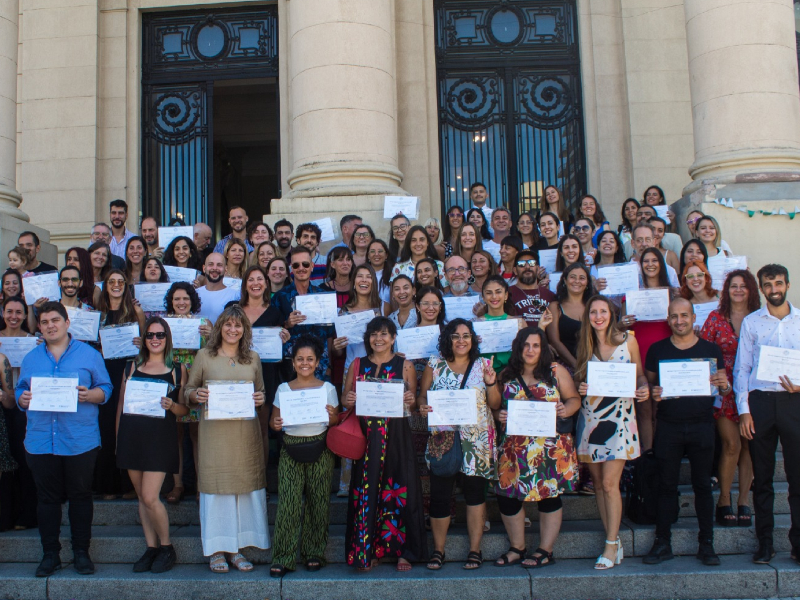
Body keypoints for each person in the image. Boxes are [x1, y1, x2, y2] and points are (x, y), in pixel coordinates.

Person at [16, 302, 113, 576]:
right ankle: (50, 555)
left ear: (67, 322)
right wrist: (23, 399)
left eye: (55, 320)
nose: (50, 325)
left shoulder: (89, 354)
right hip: (40, 440)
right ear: (40, 326)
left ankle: (81, 553)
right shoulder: (32, 358)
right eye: (44, 322)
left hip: (79, 440)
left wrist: (90, 395)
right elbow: (23, 389)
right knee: (47, 500)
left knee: (80, 497)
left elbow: (105, 388)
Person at [643, 298, 728, 566]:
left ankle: (707, 544)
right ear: (668, 320)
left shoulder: (711, 350)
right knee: (666, 485)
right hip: (668, 426)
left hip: (703, 425)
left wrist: (724, 386)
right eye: (674, 316)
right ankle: (662, 542)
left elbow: (722, 388)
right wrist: (653, 393)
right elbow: (648, 385)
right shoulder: (657, 350)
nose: (679, 321)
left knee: (703, 485)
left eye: (684, 316)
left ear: (693, 318)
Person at [184, 305, 268, 573]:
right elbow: (187, 390)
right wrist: (196, 396)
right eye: (228, 325)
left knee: (242, 490)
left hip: (244, 435)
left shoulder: (252, 358)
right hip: (215, 435)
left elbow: (261, 392)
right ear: (220, 327)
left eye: (238, 326)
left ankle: (238, 550)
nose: (233, 330)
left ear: (245, 330)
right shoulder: (204, 356)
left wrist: (261, 398)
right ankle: (217, 551)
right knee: (217, 489)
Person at [493, 326, 581, 567]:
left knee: (549, 497)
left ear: (542, 349)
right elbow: (495, 406)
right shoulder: (507, 375)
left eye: (536, 345)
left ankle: (545, 550)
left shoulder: (555, 371)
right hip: (514, 448)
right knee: (508, 497)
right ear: (518, 348)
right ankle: (517, 547)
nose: (530, 350)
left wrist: (567, 408)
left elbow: (574, 399)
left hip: (549, 449)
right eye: (526, 345)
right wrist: (499, 415)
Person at [343, 316, 426, 572]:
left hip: (396, 434)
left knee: (399, 487)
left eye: (384, 334)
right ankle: (369, 549)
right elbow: (345, 400)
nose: (378, 339)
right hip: (367, 436)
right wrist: (351, 397)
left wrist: (410, 398)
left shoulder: (405, 365)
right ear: (368, 338)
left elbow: (411, 406)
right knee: (367, 490)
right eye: (373, 334)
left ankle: (404, 552)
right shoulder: (357, 364)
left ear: (392, 338)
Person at [417, 318, 500, 570]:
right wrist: (422, 407)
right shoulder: (435, 364)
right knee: (441, 496)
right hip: (444, 439)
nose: (461, 340)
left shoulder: (485, 365)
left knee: (475, 496)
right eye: (456, 336)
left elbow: (495, 404)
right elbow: (423, 395)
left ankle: (475, 550)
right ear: (448, 340)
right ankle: (438, 551)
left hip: (477, 441)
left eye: (466, 335)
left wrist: (491, 383)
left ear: (473, 339)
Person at [575, 295, 649, 569]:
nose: (598, 316)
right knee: (597, 484)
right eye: (593, 312)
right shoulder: (586, 343)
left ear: (611, 314)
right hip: (591, 418)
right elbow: (580, 379)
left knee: (609, 483)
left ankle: (610, 544)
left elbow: (639, 374)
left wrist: (642, 387)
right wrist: (580, 386)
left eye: (602, 311)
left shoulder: (628, 339)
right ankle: (613, 540)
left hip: (619, 419)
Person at [735, 264, 800, 564]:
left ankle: (798, 543)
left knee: (797, 478)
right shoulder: (751, 322)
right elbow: (742, 369)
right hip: (760, 402)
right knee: (762, 478)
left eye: (778, 283)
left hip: (793, 402)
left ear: (787, 284)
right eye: (768, 285)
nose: (774, 289)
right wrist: (744, 411)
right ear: (760, 289)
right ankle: (765, 543)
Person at [116, 317, 187, 573]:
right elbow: (121, 407)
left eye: (160, 335)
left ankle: (167, 547)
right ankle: (151, 547)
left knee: (150, 495)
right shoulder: (131, 368)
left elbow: (184, 410)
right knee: (141, 498)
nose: (155, 339)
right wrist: (118, 440)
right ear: (144, 339)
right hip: (132, 437)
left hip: (160, 439)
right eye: (150, 335)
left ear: (167, 339)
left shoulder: (178, 369)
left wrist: (172, 406)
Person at [269, 335, 339, 577]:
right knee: (288, 503)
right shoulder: (283, 389)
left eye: (310, 359)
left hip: (320, 446)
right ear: (293, 362)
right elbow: (273, 422)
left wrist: (332, 417)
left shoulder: (328, 388)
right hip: (291, 448)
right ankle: (283, 557)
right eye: (300, 359)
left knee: (318, 502)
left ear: (318, 362)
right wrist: (277, 424)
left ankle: (314, 553)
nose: (305, 363)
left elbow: (335, 420)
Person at [700, 270, 759, 528]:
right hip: (724, 391)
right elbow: (702, 352)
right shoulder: (716, 317)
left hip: (754, 389)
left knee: (749, 446)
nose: (738, 290)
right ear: (726, 290)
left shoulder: (760, 318)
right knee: (732, 444)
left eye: (743, 286)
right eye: (733, 286)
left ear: (751, 290)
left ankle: (744, 500)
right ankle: (724, 500)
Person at [95, 269, 145, 499]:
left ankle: (128, 485)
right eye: (111, 282)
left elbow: (148, 345)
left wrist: (140, 341)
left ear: (126, 286)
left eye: (120, 282)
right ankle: (108, 485)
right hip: (103, 373)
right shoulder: (98, 315)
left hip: (128, 372)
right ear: (105, 286)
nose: (116, 285)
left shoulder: (135, 311)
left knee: (125, 426)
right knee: (106, 426)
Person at [236, 266, 290, 470]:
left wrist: (284, 339)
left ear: (266, 283)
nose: (255, 283)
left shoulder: (275, 313)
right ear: (245, 284)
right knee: (238, 427)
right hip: (237, 373)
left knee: (261, 429)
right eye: (251, 279)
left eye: (259, 279)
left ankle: (261, 480)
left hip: (264, 374)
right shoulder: (234, 309)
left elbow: (278, 350)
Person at [625, 247, 676, 450]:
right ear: (640, 265)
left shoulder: (673, 293)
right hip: (640, 353)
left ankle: (664, 453)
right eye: (646, 261)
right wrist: (623, 322)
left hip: (666, 354)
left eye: (655, 260)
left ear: (661, 264)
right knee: (644, 410)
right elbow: (624, 327)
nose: (650, 264)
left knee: (662, 408)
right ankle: (648, 456)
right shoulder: (631, 294)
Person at [163, 282, 209, 505]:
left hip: (195, 378)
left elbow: (212, 352)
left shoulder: (203, 323)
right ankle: (178, 484)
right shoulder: (162, 324)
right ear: (171, 302)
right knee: (175, 434)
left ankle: (202, 485)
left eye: (185, 299)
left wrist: (210, 335)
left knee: (197, 435)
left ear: (192, 301)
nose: (181, 303)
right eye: (177, 299)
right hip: (171, 377)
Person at [273, 247, 335, 382]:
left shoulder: (323, 296)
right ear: (291, 268)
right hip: (291, 368)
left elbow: (330, 334)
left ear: (312, 266)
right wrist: (287, 324)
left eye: (305, 264)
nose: (301, 268)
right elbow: (272, 332)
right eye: (296, 265)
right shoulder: (280, 297)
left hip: (321, 365)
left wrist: (329, 365)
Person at [547, 263, 594, 370]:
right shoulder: (555, 307)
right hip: (565, 366)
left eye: (582, 278)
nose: (577, 281)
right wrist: (576, 365)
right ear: (565, 280)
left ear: (587, 283)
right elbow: (555, 341)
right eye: (572, 277)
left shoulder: (593, 306)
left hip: (592, 364)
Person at [476, 275, 522, 373]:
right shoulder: (475, 323)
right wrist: (473, 343)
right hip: (483, 374)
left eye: (498, 292)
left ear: (506, 295)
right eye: (489, 293)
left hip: (512, 373)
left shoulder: (518, 323)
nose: (494, 297)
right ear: (483, 297)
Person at [508, 249, 556, 327]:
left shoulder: (550, 295)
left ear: (538, 269)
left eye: (532, 263)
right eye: (521, 264)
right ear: (515, 270)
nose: (527, 267)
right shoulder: (507, 294)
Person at [629, 223, 680, 287]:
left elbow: (676, 295)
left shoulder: (669, 271)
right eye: (639, 240)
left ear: (654, 242)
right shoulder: (625, 272)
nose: (644, 244)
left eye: (648, 240)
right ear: (633, 243)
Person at [196, 253, 241, 324]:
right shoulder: (195, 294)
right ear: (204, 268)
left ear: (225, 269)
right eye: (211, 264)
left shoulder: (235, 296)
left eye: (219, 265)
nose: (214, 268)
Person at [367, 239, 394, 304]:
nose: (376, 254)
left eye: (380, 251)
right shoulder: (362, 275)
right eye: (372, 251)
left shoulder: (393, 274)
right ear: (368, 256)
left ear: (386, 255)